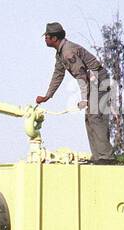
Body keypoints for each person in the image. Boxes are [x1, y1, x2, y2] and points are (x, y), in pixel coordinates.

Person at [35, 21, 114, 163]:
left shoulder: (67, 52)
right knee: (90, 118)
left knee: (96, 116)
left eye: (47, 36)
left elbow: (82, 76)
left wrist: (84, 99)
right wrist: (48, 96)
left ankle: (106, 157)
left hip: (97, 80)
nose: (45, 38)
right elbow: (58, 74)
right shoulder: (60, 53)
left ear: (54, 38)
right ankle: (99, 156)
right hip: (92, 81)